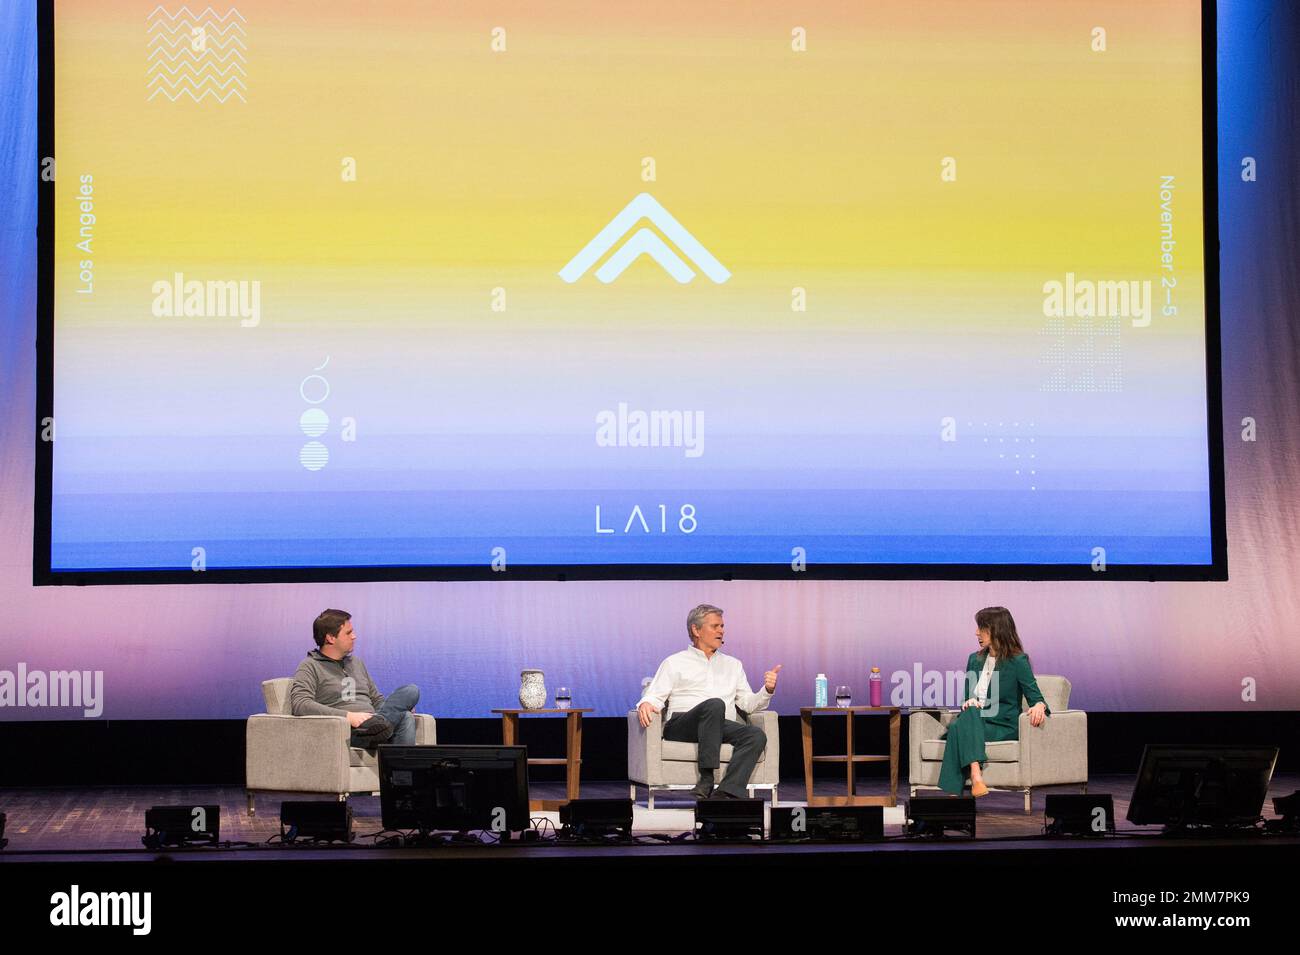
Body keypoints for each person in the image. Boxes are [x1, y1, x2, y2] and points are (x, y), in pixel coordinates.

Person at [637, 604, 782, 799]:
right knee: (714, 704)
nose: (721, 631)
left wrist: (768, 690)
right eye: (715, 626)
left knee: (755, 735)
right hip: (683, 725)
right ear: (696, 630)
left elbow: (748, 704)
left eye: (722, 626)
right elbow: (655, 695)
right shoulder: (674, 662)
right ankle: (706, 778)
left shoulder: (733, 664)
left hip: (719, 726)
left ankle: (726, 792)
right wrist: (646, 703)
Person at [938, 606, 1049, 797]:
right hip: (975, 720)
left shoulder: (1018, 661)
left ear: (997, 629)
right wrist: (969, 702)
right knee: (968, 713)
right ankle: (976, 776)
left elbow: (1036, 697)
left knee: (957, 728)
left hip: (1001, 725)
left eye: (981, 628)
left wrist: (1039, 705)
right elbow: (967, 697)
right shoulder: (974, 659)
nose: (976, 633)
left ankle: (958, 792)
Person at [290, 609, 421, 748]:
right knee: (405, 714)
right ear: (330, 638)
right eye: (348, 633)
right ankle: (379, 727)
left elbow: (376, 699)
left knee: (411, 692)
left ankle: (381, 725)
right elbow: (300, 704)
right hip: (349, 731)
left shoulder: (357, 663)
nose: (354, 636)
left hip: (374, 724)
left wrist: (397, 709)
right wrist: (348, 716)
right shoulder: (310, 665)